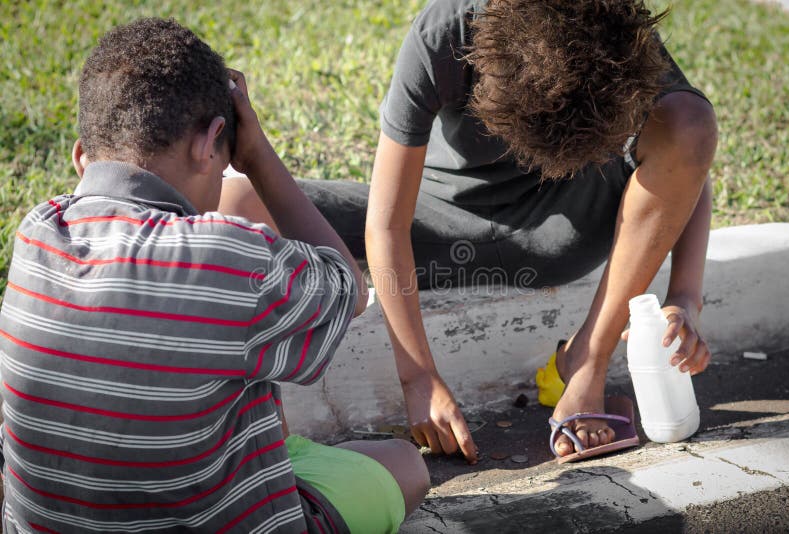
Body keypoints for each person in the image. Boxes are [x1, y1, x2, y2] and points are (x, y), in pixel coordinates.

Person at [227, 0, 717, 463]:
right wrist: (418, 378)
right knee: (239, 201)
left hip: (566, 229)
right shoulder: (446, 29)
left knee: (687, 118)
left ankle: (583, 362)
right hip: (438, 220)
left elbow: (688, 152)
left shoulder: (610, 26)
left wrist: (685, 299)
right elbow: (387, 223)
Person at [0, 18, 428, 533]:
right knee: (405, 466)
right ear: (213, 143)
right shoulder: (224, 254)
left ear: (79, 158)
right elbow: (346, 285)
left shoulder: (35, 233)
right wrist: (258, 155)